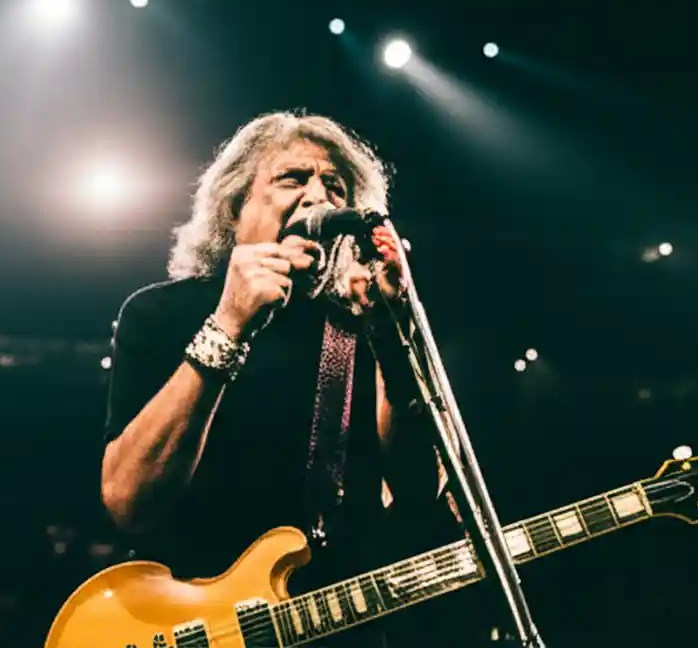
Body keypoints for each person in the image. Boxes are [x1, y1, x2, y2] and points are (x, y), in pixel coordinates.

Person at [100, 111, 444, 646]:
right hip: (187, 625)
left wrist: (393, 335)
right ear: (234, 207)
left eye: (336, 187)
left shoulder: (363, 328)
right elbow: (128, 499)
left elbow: (419, 494)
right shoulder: (159, 313)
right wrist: (229, 324)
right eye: (293, 178)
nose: (318, 197)